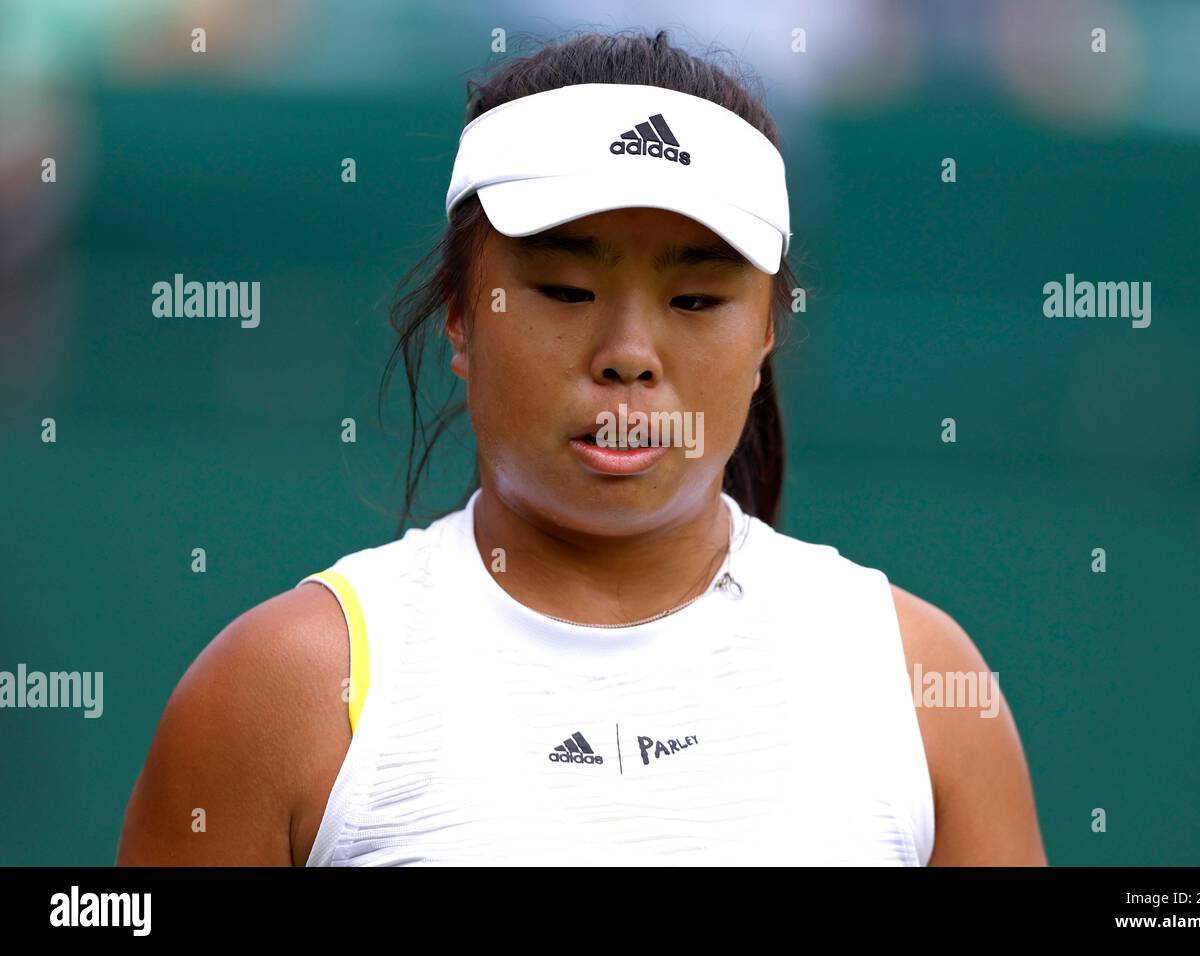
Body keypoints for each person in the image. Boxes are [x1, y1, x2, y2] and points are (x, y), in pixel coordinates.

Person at [117, 29, 1047, 866]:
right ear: (459, 318)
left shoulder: (923, 690)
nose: (629, 357)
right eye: (564, 288)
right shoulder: (283, 693)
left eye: (695, 301)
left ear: (768, 333)